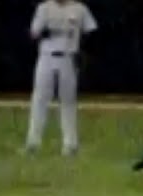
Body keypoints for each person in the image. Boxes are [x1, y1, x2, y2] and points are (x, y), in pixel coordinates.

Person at [24, 0, 98, 156]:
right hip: (46, 56)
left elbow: (91, 31)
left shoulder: (79, 8)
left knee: (68, 101)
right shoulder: (44, 8)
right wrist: (46, 31)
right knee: (40, 99)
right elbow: (33, 33)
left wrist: (83, 53)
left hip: (69, 57)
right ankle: (33, 142)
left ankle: (70, 144)